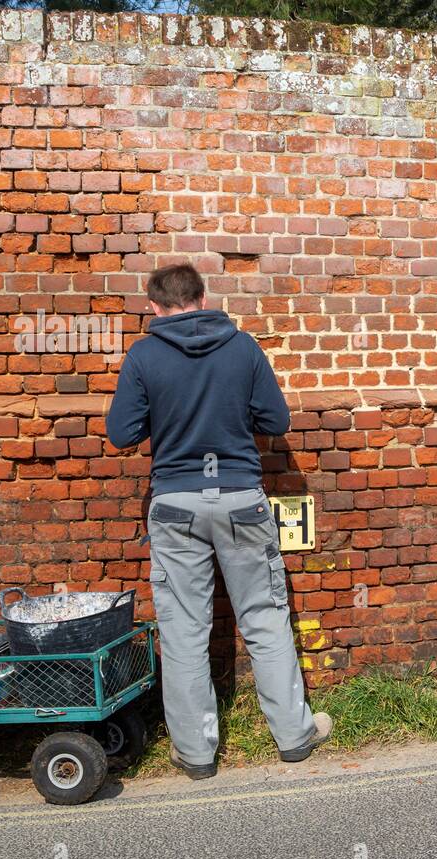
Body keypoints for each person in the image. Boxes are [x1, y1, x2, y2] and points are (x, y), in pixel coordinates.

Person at [107, 264, 332, 779]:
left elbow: (122, 433)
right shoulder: (243, 347)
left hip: (176, 503)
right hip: (240, 499)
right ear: (204, 298)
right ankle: (295, 737)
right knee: (265, 616)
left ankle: (197, 753)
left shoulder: (143, 355)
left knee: (184, 631)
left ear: (155, 307)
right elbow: (276, 421)